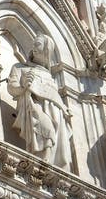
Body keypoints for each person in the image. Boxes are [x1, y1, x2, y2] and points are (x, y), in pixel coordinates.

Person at [7, 34, 72, 169]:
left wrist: (64, 108)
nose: (33, 48)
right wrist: (23, 86)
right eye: (33, 44)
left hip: (54, 110)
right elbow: (12, 87)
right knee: (47, 129)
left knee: (55, 137)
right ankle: (42, 159)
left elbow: (53, 94)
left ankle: (50, 163)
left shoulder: (48, 74)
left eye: (38, 44)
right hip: (32, 105)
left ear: (47, 50)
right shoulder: (19, 68)